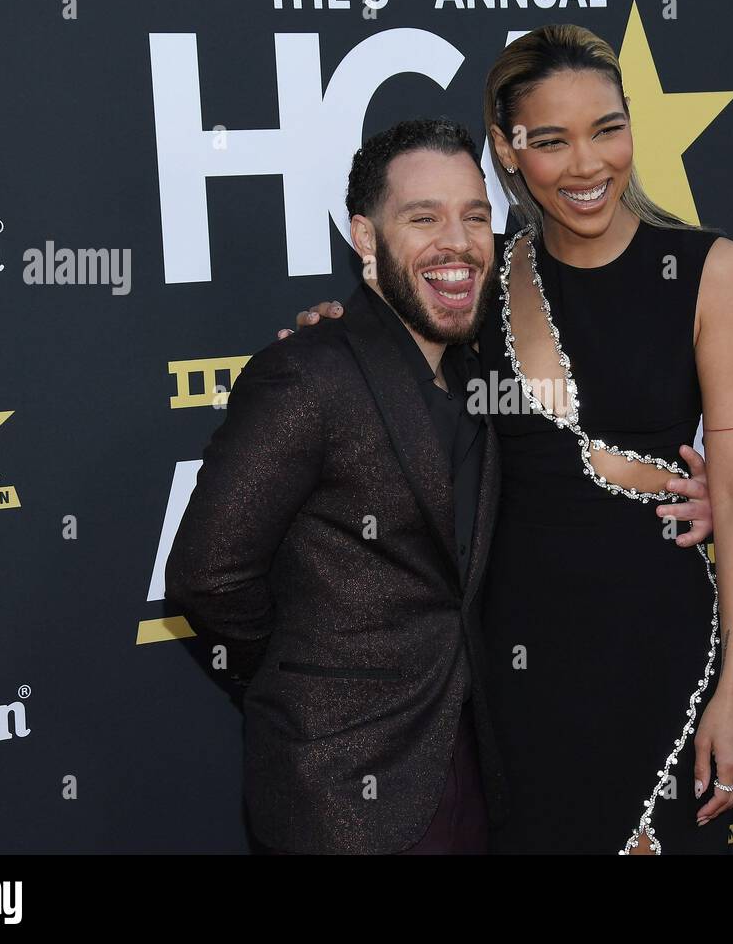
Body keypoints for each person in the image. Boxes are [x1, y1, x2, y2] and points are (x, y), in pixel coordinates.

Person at [292, 24, 733, 855]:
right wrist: (333, 336)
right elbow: (394, 382)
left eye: (607, 128)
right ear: (509, 155)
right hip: (521, 667)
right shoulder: (479, 279)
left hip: (664, 649)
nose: (587, 165)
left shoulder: (712, 271)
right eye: (551, 140)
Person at [166, 119, 508, 854]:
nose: (459, 241)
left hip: (474, 776)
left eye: (475, 216)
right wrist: (308, 681)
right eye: (424, 218)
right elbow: (205, 575)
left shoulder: (480, 379)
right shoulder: (309, 375)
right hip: (344, 795)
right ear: (364, 237)